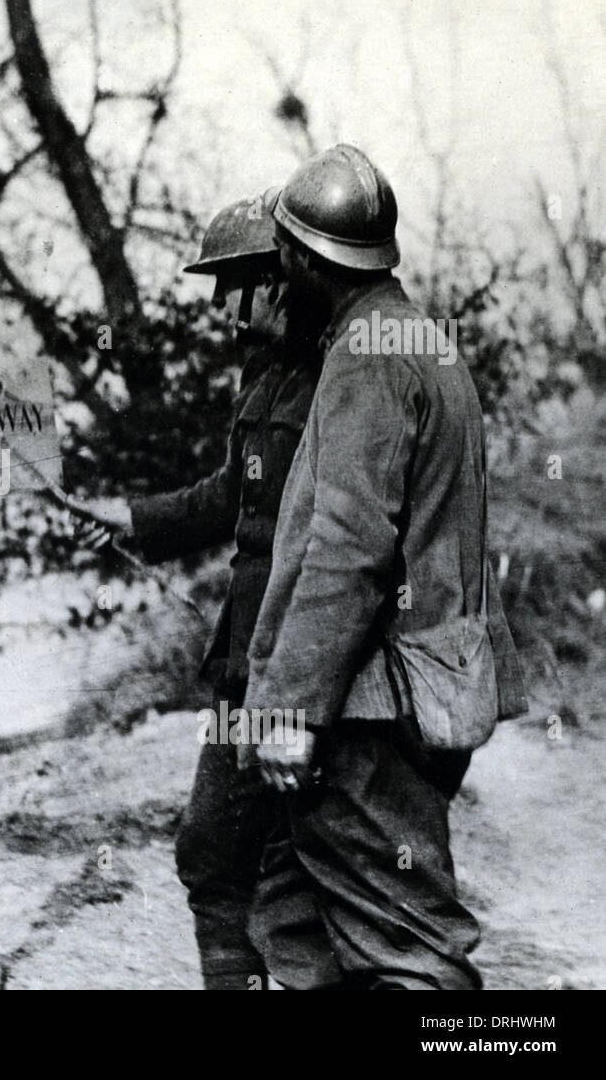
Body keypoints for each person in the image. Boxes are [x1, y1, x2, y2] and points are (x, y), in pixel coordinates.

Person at [242, 144, 528, 989]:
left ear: (300, 259)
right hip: (415, 688)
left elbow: (349, 547)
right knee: (290, 917)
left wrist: (291, 710)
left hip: (369, 710)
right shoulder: (415, 338)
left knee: (406, 948)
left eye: (281, 257)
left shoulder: (366, 355)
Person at [64, 188, 322, 989]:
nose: (221, 309)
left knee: (270, 865)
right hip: (245, 662)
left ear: (280, 277)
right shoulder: (266, 373)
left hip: (301, 658)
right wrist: (132, 519)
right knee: (218, 857)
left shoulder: (341, 378)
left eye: (230, 286)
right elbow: (229, 497)